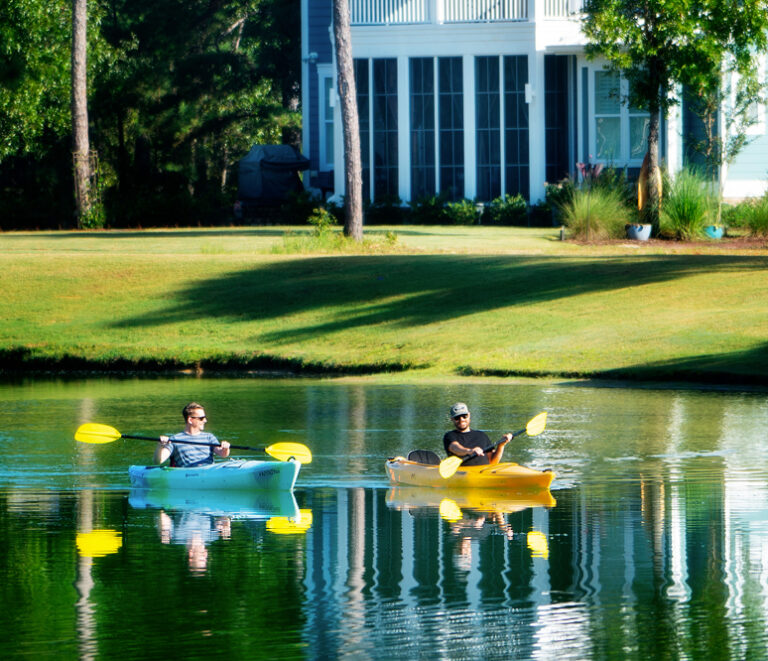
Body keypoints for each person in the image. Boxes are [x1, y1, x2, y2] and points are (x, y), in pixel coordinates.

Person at [154, 402, 230, 467]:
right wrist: (160, 445)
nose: (205, 420)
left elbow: (223, 454)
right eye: (201, 418)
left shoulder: (209, 437)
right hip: (188, 475)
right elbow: (158, 461)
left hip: (208, 472)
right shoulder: (174, 440)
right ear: (190, 420)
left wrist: (225, 448)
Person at [442, 402, 512, 466]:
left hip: (484, 472)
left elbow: (493, 462)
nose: (461, 420)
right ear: (452, 419)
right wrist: (470, 451)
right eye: (457, 417)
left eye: (464, 416)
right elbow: (454, 448)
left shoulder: (482, 435)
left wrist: (501, 446)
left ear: (469, 415)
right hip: (464, 473)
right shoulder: (449, 436)